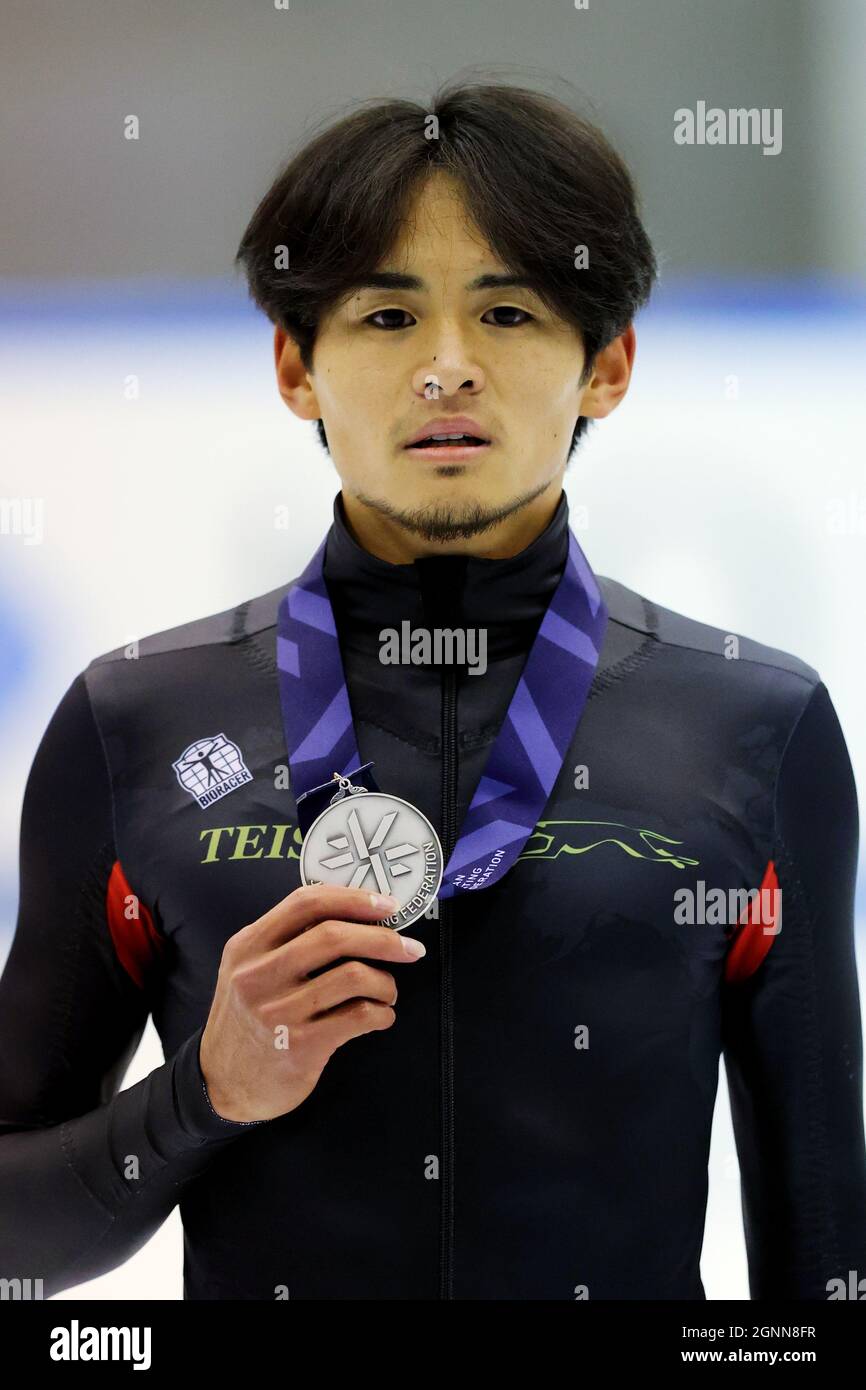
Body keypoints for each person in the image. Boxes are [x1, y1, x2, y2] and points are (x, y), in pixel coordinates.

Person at [1, 80, 864, 1302]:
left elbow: (822, 1265)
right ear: (296, 368)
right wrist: (202, 1093)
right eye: (388, 314)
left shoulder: (753, 726)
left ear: (605, 365)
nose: (446, 368)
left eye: (506, 311)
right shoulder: (136, 722)